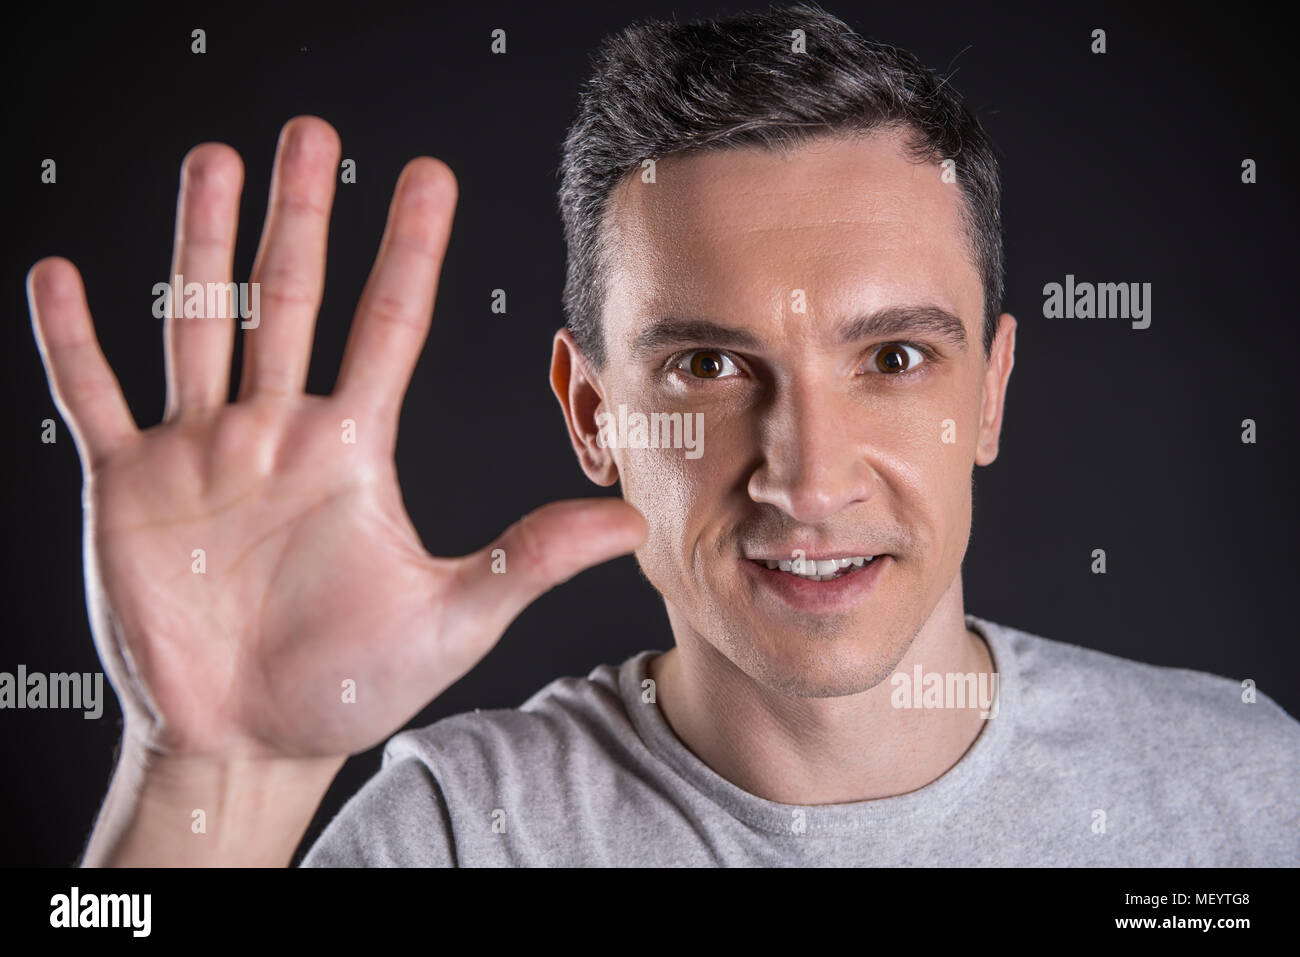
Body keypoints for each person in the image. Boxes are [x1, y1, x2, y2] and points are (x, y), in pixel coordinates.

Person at [26, 4, 1297, 867]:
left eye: (894, 359)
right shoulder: (464, 834)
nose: (806, 477)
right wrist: (206, 784)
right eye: (705, 365)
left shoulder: (1243, 797)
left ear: (991, 395)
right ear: (594, 417)